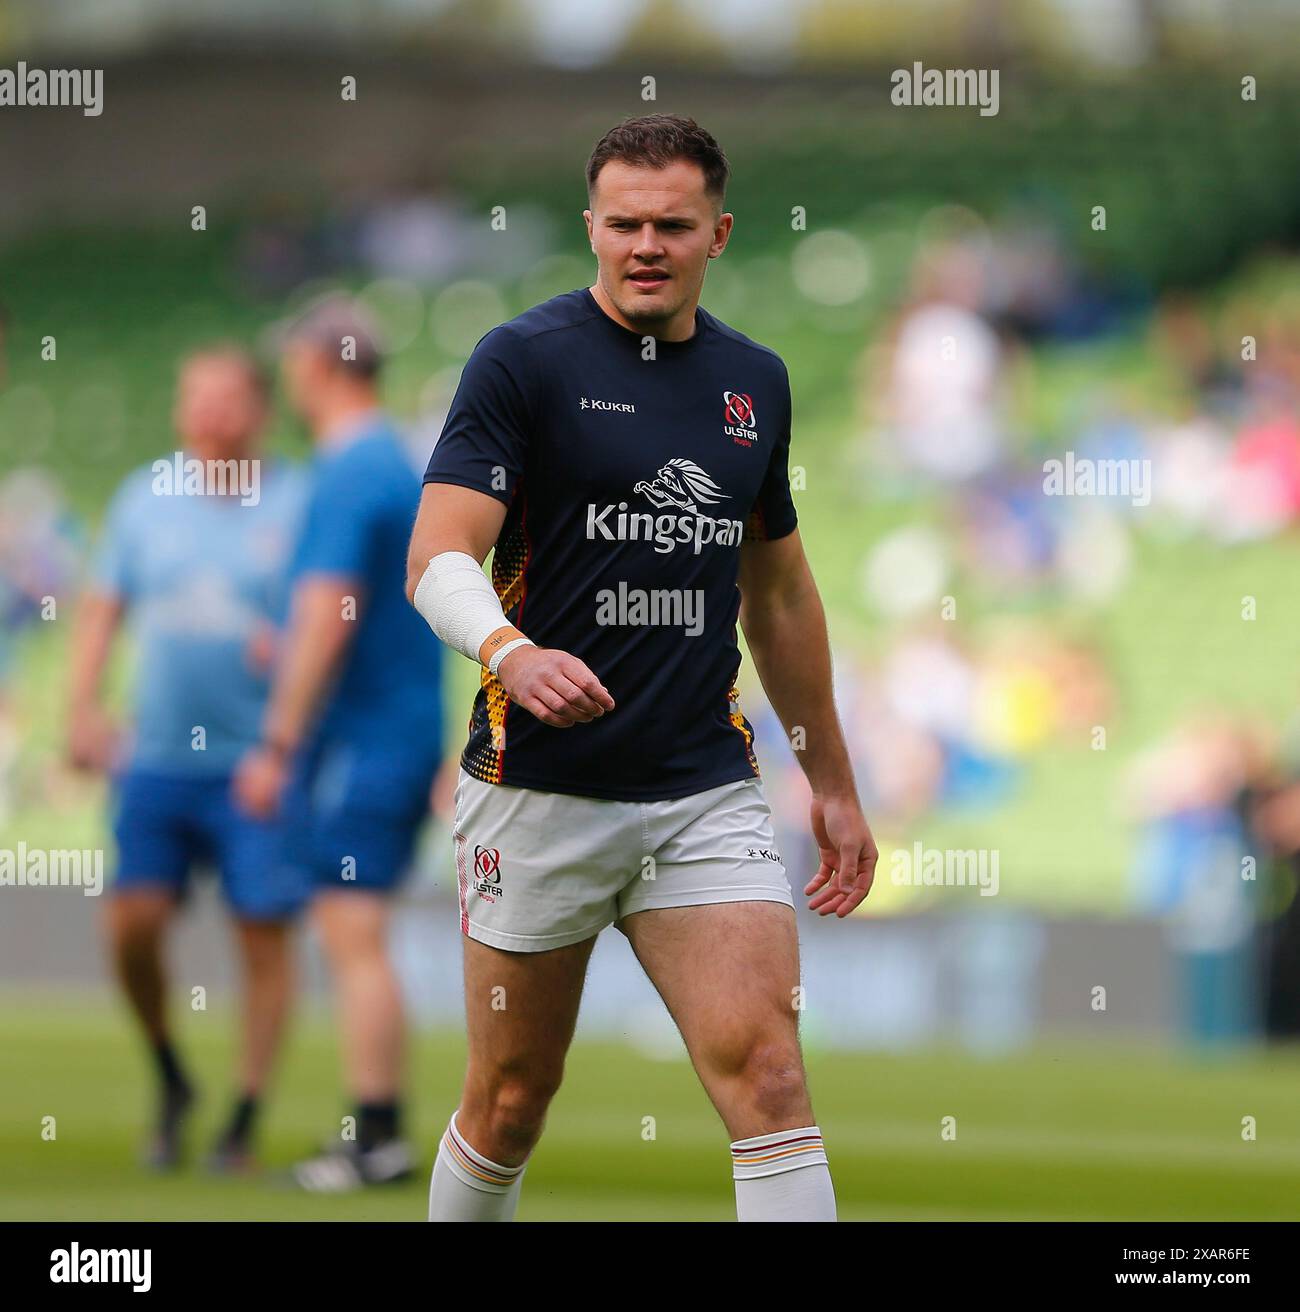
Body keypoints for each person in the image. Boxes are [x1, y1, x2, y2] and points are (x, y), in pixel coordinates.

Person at [408, 114, 877, 1223]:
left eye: (672, 224)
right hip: (537, 795)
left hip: (700, 792)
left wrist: (835, 783)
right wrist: (509, 653)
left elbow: (779, 596)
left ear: (719, 232)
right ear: (592, 227)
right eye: (623, 224)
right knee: (512, 1098)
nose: (646, 244)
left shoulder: (753, 383)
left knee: (768, 1079)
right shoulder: (522, 360)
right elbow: (436, 559)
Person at [68, 346, 306, 1171]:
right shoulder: (144, 497)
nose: (206, 413)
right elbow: (103, 607)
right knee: (132, 926)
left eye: (224, 398)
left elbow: (329, 619)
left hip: (259, 764)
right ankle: (171, 1075)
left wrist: (296, 649)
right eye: (192, 397)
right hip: (157, 760)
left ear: (260, 410)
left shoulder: (298, 502)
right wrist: (81, 708)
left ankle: (242, 1114)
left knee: (263, 939)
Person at [234, 296, 444, 1191]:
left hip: (364, 741)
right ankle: (378, 1133)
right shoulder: (391, 463)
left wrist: (276, 742)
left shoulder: (347, 469)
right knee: (356, 933)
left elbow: (328, 612)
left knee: (352, 934)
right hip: (396, 728)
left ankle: (376, 1138)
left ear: (319, 366)